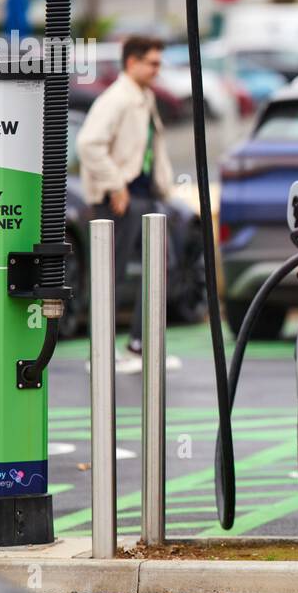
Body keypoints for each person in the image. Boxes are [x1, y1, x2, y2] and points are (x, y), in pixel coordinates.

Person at [76, 34, 181, 374]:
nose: (157, 70)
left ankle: (139, 344)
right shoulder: (117, 99)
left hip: (145, 196)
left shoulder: (143, 97)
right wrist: (115, 185)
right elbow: (89, 144)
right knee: (112, 273)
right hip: (121, 200)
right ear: (131, 63)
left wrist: (165, 187)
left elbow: (151, 149)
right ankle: (101, 352)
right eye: (151, 63)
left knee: (159, 268)